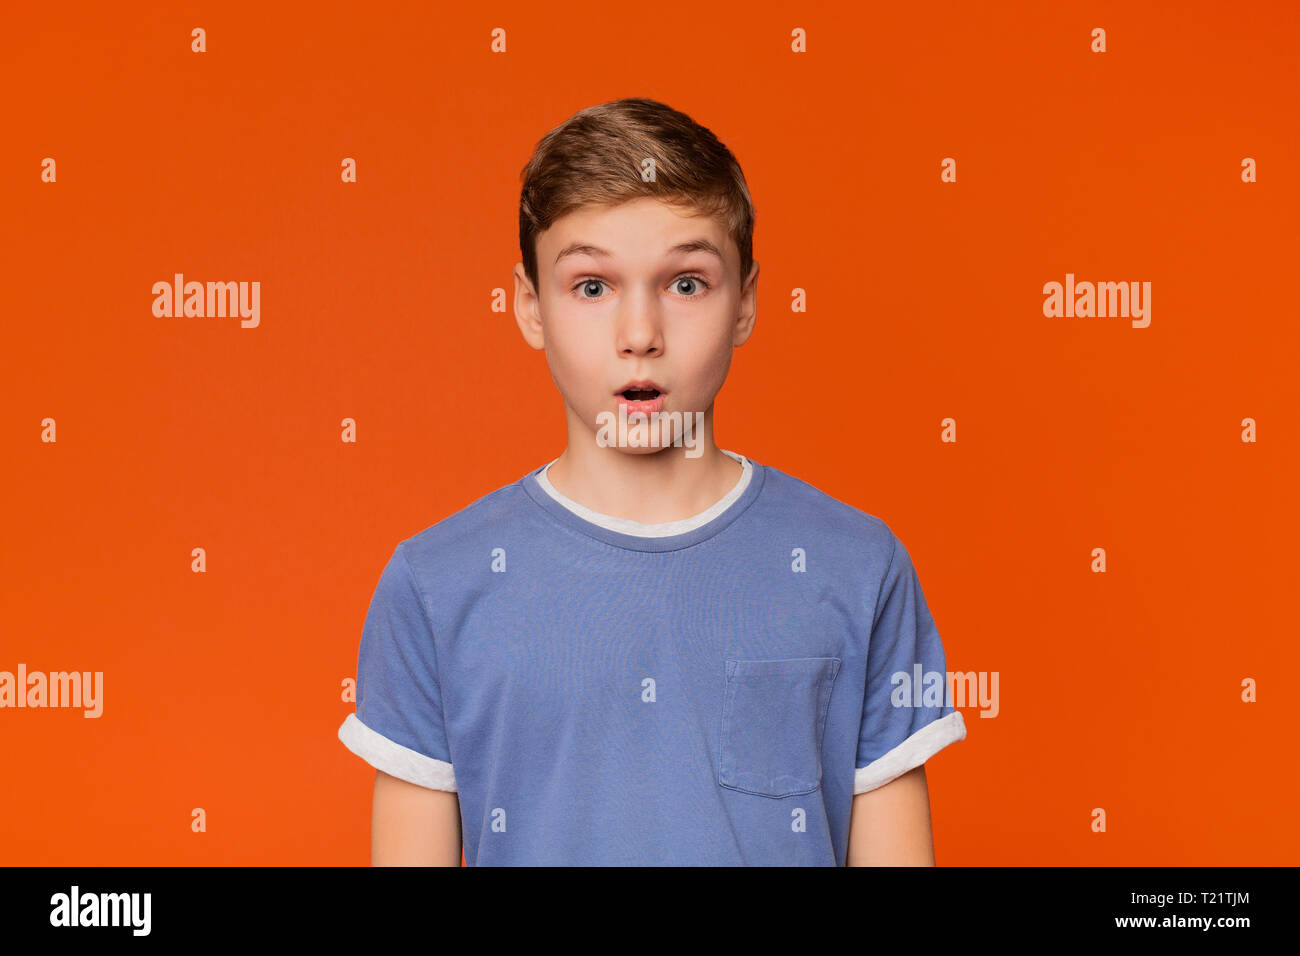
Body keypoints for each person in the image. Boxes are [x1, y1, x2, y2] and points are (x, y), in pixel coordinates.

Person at [338, 97, 966, 866]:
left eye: (687, 283)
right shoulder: (434, 585)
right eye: (593, 286)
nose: (641, 336)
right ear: (530, 307)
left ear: (747, 302)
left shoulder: (859, 567)